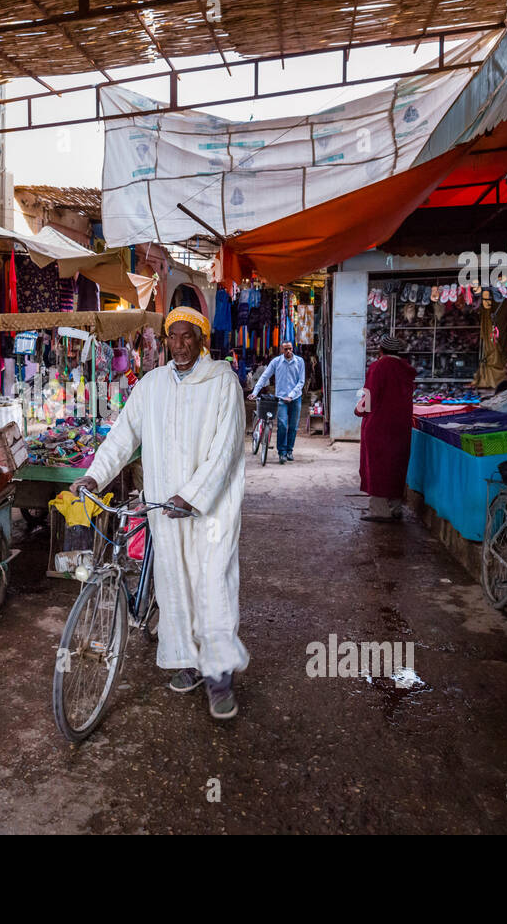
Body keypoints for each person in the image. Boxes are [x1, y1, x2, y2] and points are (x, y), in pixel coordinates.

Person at [71, 307, 247, 720]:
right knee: (174, 588)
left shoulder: (223, 382)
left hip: (210, 514)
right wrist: (95, 476)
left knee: (212, 587)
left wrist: (193, 495)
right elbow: (122, 436)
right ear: (165, 340)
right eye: (174, 336)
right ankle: (190, 663)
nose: (181, 344)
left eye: (189, 337)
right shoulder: (151, 385)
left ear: (201, 340)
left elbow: (226, 451)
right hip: (164, 512)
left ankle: (220, 679)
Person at [356, 335, 417, 523]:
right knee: (396, 466)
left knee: (377, 467)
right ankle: (395, 507)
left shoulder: (378, 367)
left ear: (381, 350)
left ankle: (380, 510)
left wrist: (359, 409)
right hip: (401, 425)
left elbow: (370, 397)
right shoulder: (407, 370)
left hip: (379, 424)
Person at [247, 341, 305, 462]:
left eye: (290, 349)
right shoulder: (276, 362)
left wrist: (291, 395)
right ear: (281, 350)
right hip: (281, 399)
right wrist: (255, 392)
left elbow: (301, 381)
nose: (288, 351)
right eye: (285, 349)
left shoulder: (299, 362)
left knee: (293, 426)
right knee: (282, 425)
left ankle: (289, 450)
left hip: (295, 398)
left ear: (292, 348)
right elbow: (264, 376)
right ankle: (282, 452)